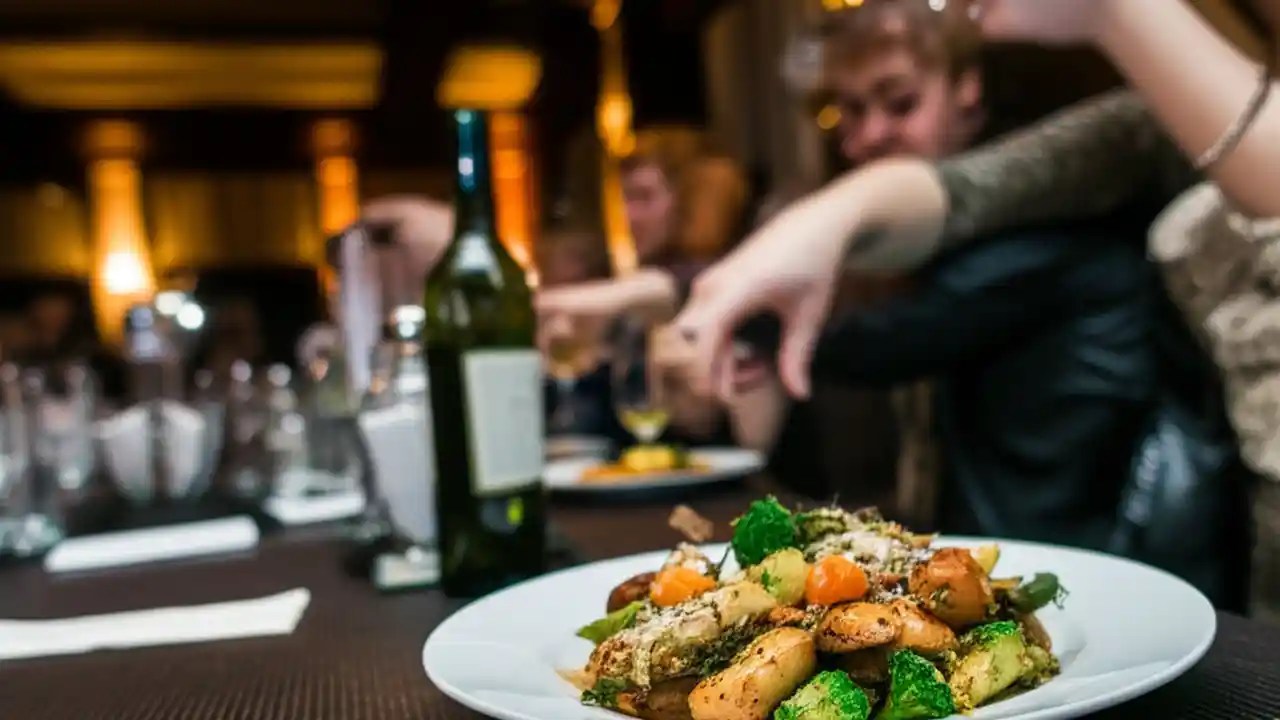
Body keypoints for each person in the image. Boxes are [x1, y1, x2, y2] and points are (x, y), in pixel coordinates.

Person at [673, 0, 1277, 618]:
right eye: (849, 110)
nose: (870, 133)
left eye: (900, 102)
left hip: (1096, 582)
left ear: (968, 88)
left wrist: (725, 307)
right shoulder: (916, 245)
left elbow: (886, 335)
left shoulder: (1037, 227)